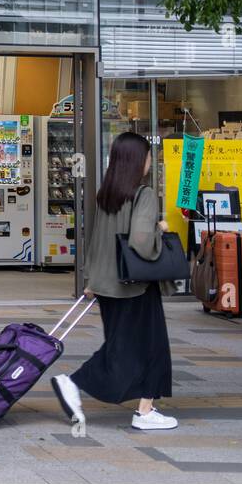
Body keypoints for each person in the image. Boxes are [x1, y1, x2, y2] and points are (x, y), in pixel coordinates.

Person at [51, 132, 176, 431]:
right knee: (150, 348)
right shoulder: (143, 195)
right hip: (135, 286)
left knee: (123, 346)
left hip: (106, 285)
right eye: (147, 156)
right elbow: (142, 242)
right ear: (137, 160)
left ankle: (144, 408)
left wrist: (91, 279)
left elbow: (96, 240)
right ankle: (77, 384)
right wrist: (161, 229)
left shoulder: (107, 194)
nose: (149, 162)